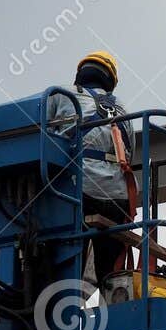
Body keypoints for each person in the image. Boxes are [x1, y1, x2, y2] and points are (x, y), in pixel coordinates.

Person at [47, 50, 136, 286]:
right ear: (110, 82)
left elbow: (38, 139)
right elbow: (130, 155)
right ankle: (115, 307)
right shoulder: (123, 108)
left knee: (62, 261)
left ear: (80, 73)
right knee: (109, 272)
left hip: (79, 189)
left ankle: (61, 308)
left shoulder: (60, 94)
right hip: (118, 197)